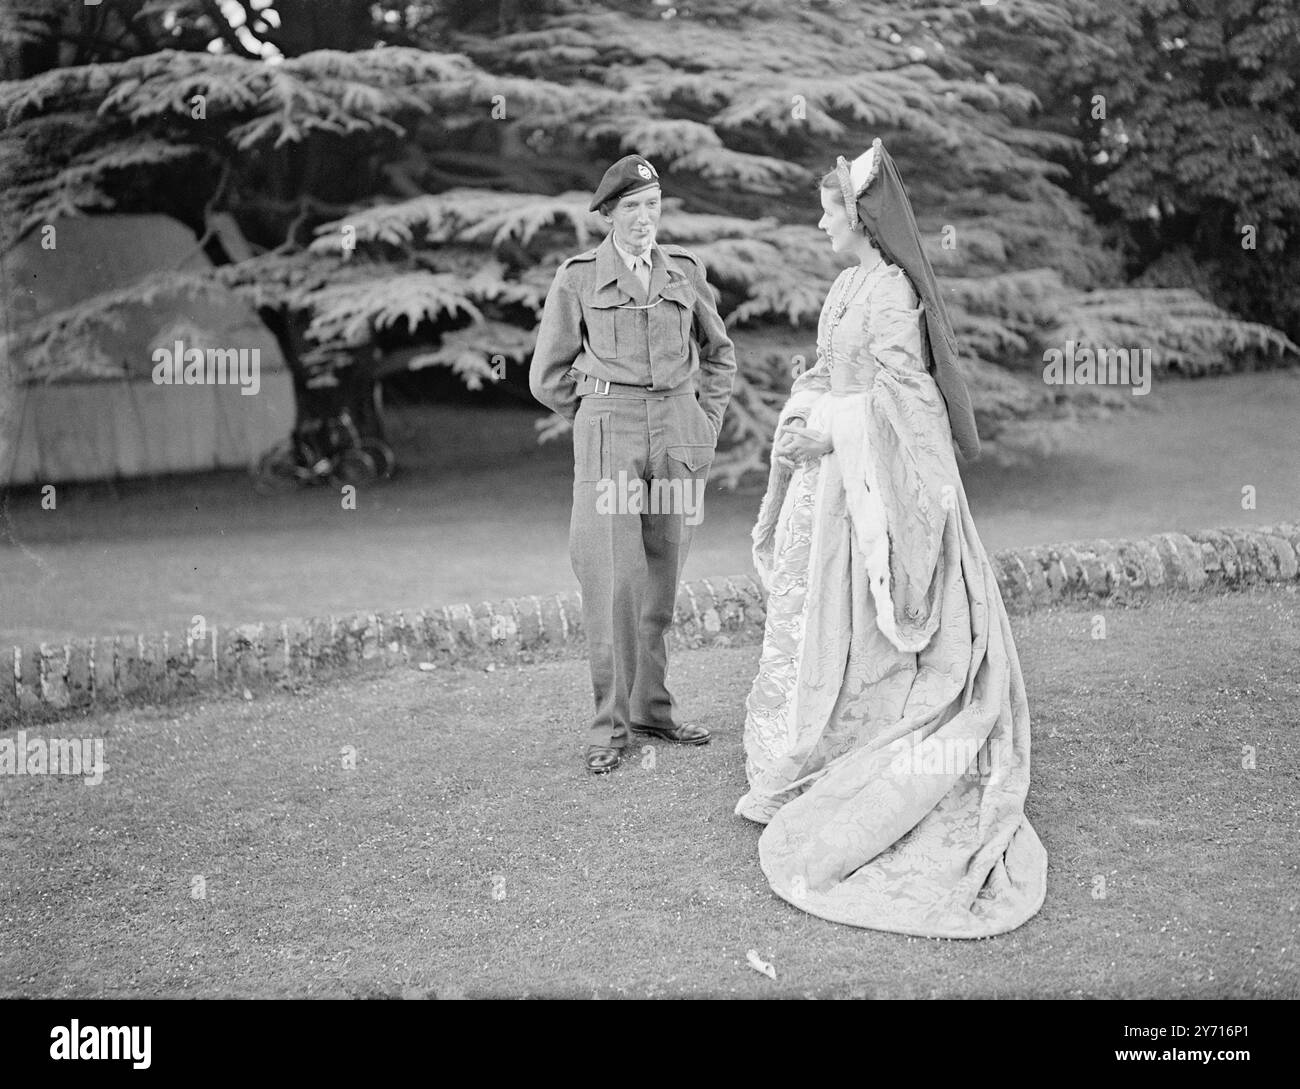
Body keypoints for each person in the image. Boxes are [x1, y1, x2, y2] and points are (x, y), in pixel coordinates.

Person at [736, 138, 1047, 937]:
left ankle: (864, 749)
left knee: (875, 645)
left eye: (829, 209)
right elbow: (833, 377)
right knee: (821, 632)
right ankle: (825, 747)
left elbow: (908, 411)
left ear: (862, 219)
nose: (819, 221)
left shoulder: (890, 295)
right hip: (836, 487)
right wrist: (802, 418)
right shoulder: (846, 285)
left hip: (872, 494)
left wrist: (829, 429)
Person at [530, 154, 737, 775]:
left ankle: (653, 709)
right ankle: (609, 726)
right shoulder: (578, 278)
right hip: (611, 438)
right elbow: (547, 377)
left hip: (676, 435)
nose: (644, 218)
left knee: (663, 575)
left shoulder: (685, 271)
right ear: (609, 216)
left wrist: (703, 423)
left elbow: (719, 356)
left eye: (652, 206)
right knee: (614, 581)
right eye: (631, 208)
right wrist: (599, 414)